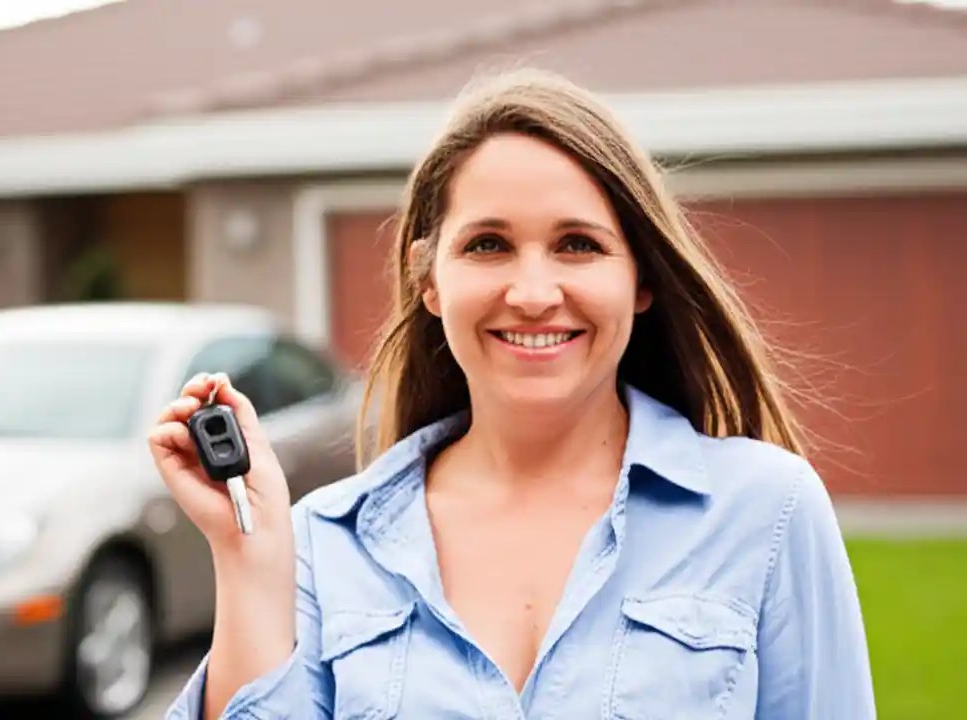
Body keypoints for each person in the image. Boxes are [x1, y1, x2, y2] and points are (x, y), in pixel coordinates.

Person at [148, 68, 875, 719]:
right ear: (429, 279)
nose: (532, 293)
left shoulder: (766, 512)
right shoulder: (321, 546)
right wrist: (249, 559)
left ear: (641, 278)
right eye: (488, 244)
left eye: (578, 244)